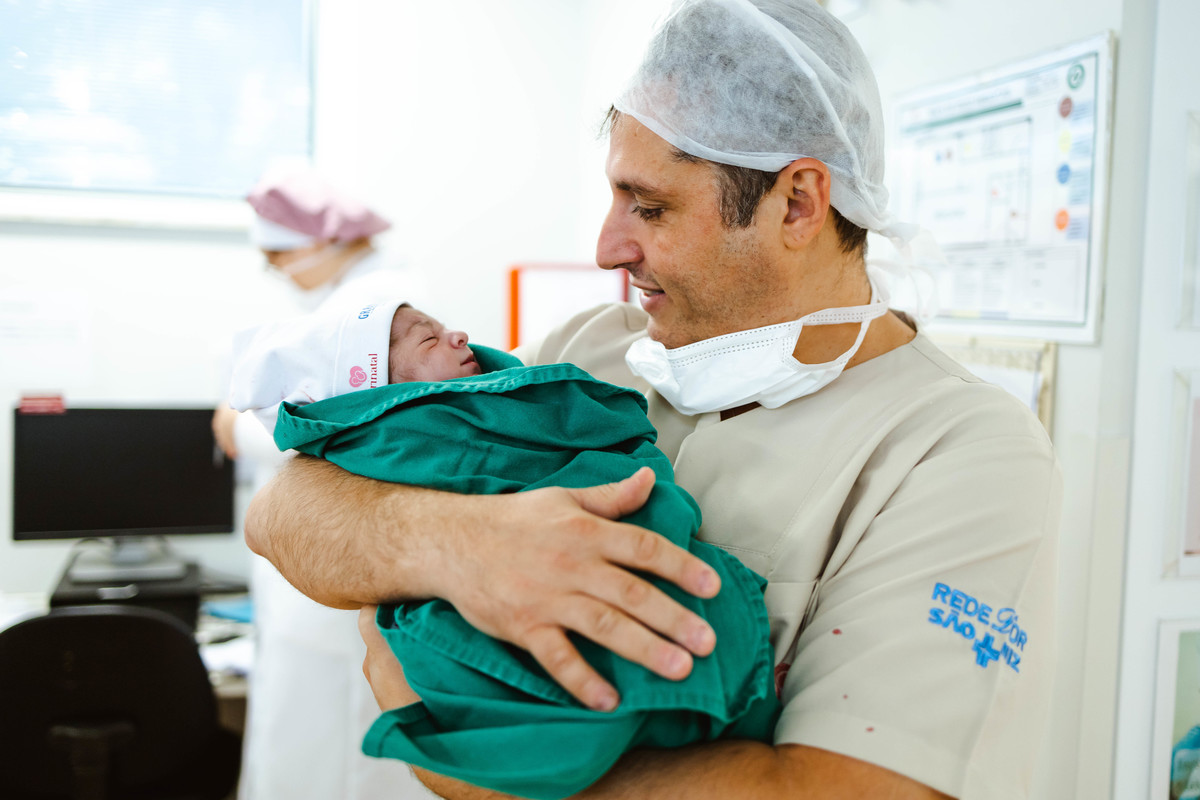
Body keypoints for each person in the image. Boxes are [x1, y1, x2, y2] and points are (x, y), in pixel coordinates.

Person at [244, 1, 1063, 798]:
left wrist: (492, 777)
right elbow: (285, 505)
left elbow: (848, 787)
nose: (607, 246)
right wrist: (454, 543)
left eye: (651, 206)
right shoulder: (588, 350)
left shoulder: (954, 450)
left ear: (799, 202)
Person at [227, 299, 780, 799]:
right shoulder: (418, 423)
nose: (460, 337)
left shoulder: (502, 383)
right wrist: (457, 542)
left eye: (654, 209)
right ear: (374, 390)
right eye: (429, 339)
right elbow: (273, 514)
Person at [210, 167, 426, 800]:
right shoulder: (348, 301)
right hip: (311, 576)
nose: (275, 270)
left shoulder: (379, 302)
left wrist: (235, 420)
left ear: (324, 242)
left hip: (337, 579)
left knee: (337, 756)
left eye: (278, 254)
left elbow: (327, 424)